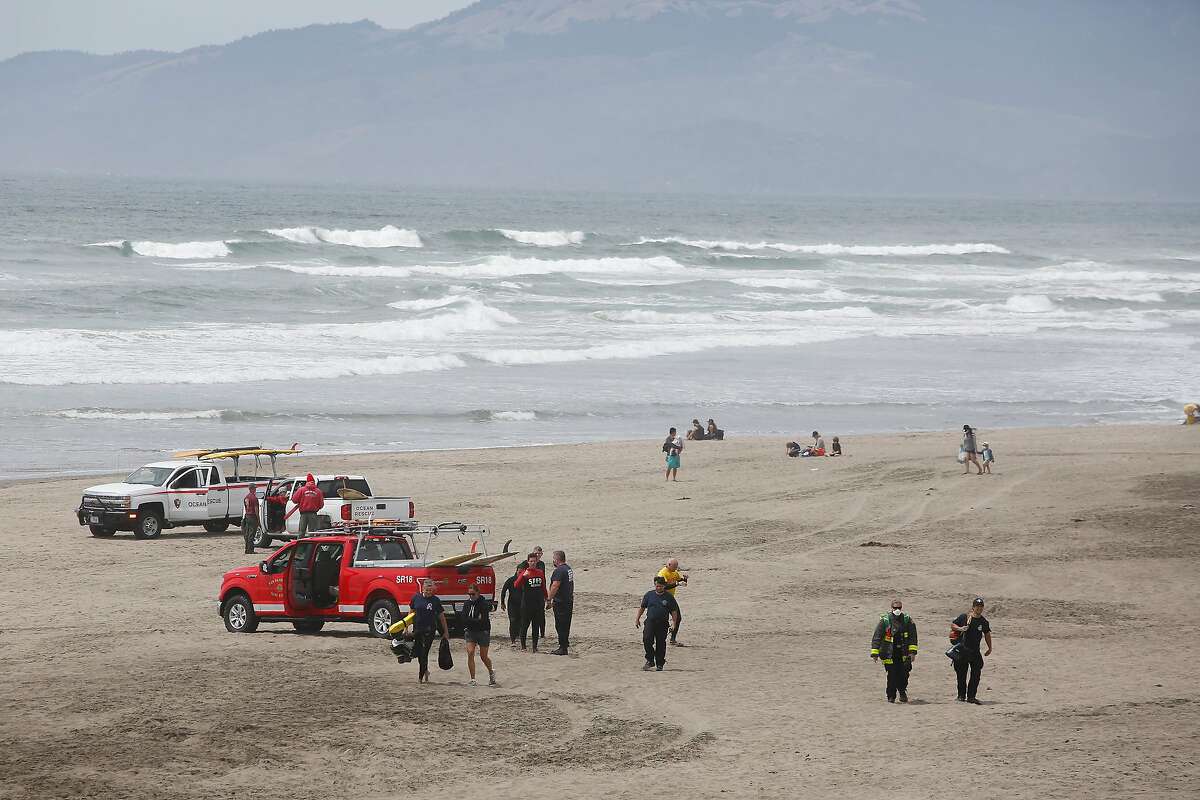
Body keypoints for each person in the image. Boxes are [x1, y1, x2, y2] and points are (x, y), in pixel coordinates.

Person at [870, 598, 919, 703]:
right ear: (891, 608)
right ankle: (891, 696)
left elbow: (913, 637)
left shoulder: (907, 620)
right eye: (895, 608)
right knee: (892, 675)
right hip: (889, 653)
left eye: (899, 608)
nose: (897, 609)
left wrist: (912, 652)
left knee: (904, 674)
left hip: (903, 653)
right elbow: (877, 636)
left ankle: (902, 692)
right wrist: (874, 653)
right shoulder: (885, 621)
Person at [950, 597, 993, 704]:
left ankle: (971, 697)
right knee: (961, 674)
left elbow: (987, 634)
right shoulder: (964, 617)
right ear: (973, 607)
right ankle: (961, 696)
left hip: (975, 652)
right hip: (963, 650)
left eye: (981, 606)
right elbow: (953, 625)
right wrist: (960, 628)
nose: (979, 608)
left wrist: (989, 648)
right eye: (977, 606)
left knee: (976, 674)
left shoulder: (983, 621)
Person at [635, 576, 680, 671]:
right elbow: (642, 607)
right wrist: (637, 619)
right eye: (657, 586)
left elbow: (674, 611)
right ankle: (650, 660)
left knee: (660, 643)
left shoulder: (669, 597)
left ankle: (660, 663)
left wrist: (674, 623)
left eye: (660, 586)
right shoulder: (649, 595)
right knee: (647, 639)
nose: (658, 588)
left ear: (664, 586)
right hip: (650, 622)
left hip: (663, 623)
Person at [410, 579, 450, 684]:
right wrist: (406, 627)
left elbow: (442, 617)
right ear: (423, 589)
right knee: (419, 652)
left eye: (430, 590)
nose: (428, 592)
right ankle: (425, 670)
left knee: (424, 653)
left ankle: (420, 678)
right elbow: (411, 613)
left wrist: (445, 631)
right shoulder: (416, 598)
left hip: (430, 630)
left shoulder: (435, 600)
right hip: (417, 629)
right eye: (427, 590)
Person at [461, 583, 496, 686]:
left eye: (473, 594)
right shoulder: (467, 603)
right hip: (470, 631)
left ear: (478, 593)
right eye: (469, 594)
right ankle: (473, 679)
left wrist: (470, 620)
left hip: (483, 631)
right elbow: (463, 618)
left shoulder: (483, 603)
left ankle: (491, 671)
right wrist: (474, 620)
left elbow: (483, 620)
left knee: (483, 656)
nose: (471, 596)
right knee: (470, 652)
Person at [514, 552, 547, 652]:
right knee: (524, 625)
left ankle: (534, 646)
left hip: (538, 604)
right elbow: (516, 585)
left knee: (536, 626)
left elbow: (543, 587)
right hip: (527, 604)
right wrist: (523, 576)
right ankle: (523, 646)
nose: (532, 563)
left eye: (534, 561)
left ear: (537, 561)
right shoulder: (525, 573)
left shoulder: (540, 572)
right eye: (531, 561)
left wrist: (547, 598)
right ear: (528, 562)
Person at [546, 550, 574, 655]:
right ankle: (565, 644)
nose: (553, 560)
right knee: (566, 624)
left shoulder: (559, 570)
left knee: (560, 625)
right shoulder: (568, 568)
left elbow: (555, 585)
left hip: (561, 602)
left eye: (554, 558)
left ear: (557, 560)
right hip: (568, 601)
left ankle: (563, 647)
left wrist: (549, 599)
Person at [656, 558, 688, 645]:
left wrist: (684, 579)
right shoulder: (662, 573)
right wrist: (677, 584)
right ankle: (657, 636)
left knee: (678, 618)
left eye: (677, 566)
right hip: (662, 599)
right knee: (661, 620)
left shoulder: (674, 572)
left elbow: (679, 581)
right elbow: (664, 586)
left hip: (671, 598)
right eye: (674, 566)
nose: (676, 568)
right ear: (669, 565)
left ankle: (673, 639)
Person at [500, 563, 524, 647]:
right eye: (519, 572)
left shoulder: (525, 580)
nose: (520, 573)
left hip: (522, 605)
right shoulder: (511, 580)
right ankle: (513, 640)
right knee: (513, 621)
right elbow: (504, 590)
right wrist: (502, 602)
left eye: (522, 572)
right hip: (512, 604)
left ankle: (521, 639)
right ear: (516, 571)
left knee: (521, 623)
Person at [242, 485, 259, 554]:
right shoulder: (254, 498)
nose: (255, 490)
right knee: (252, 534)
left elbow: (246, 507)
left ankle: (247, 549)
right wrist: (258, 518)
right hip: (252, 516)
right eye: (254, 488)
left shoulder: (246, 497)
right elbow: (256, 509)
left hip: (247, 516)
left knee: (247, 534)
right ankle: (250, 550)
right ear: (251, 489)